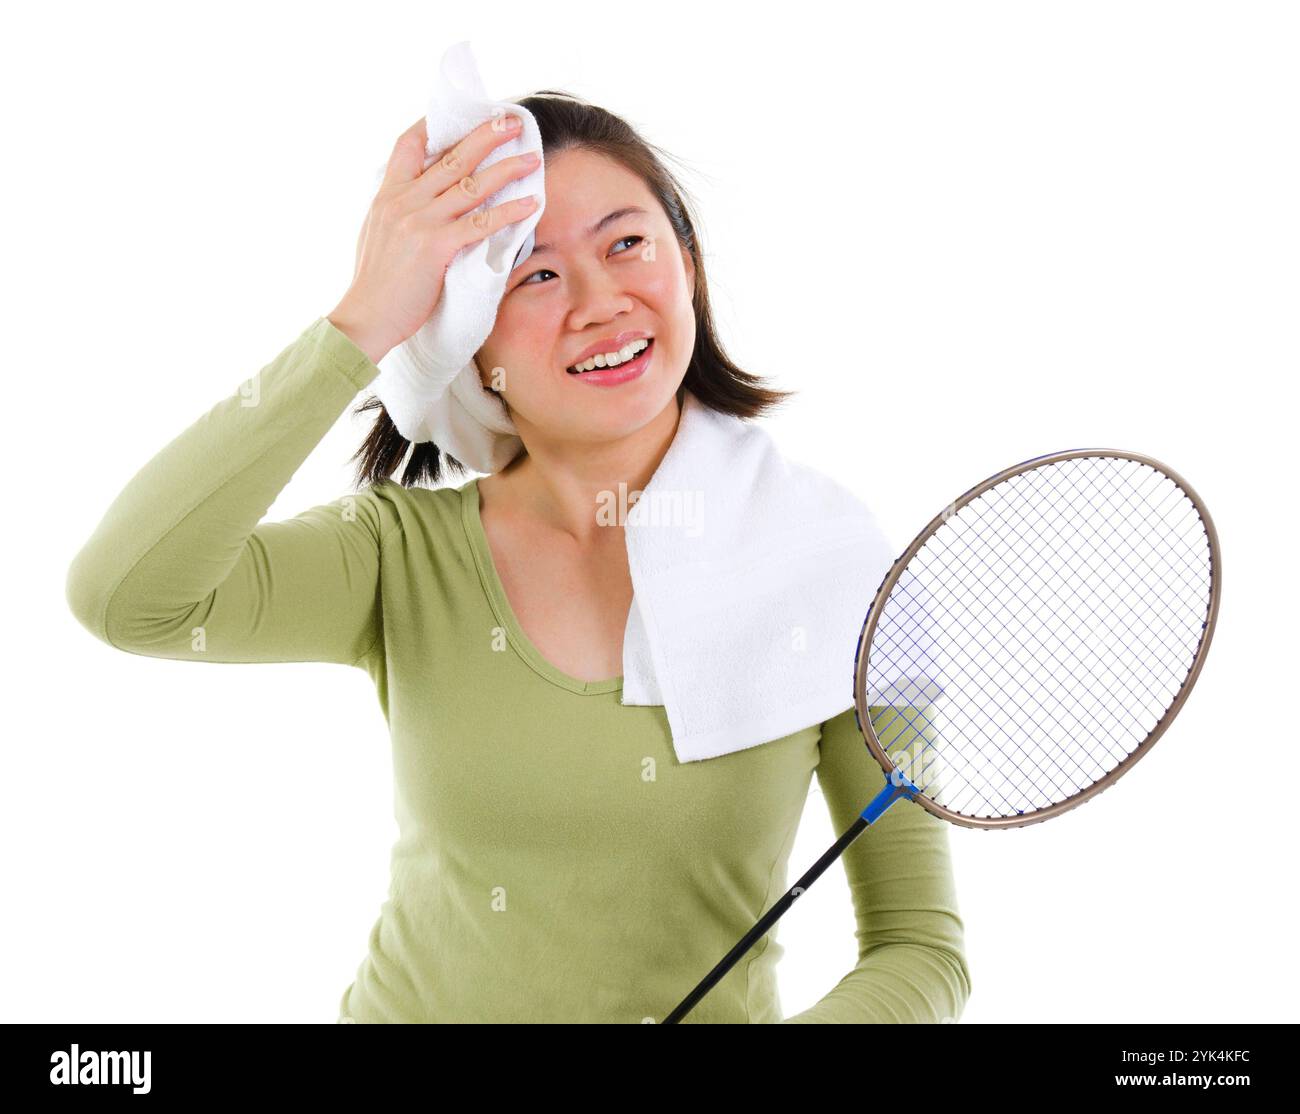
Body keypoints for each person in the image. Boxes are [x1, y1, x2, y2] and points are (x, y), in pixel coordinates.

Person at [65, 93, 972, 1023]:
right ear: (467, 336)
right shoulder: (400, 556)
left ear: (689, 267)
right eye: (533, 275)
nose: (599, 302)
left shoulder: (842, 569)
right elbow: (127, 597)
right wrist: (362, 322)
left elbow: (920, 946)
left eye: (627, 244)